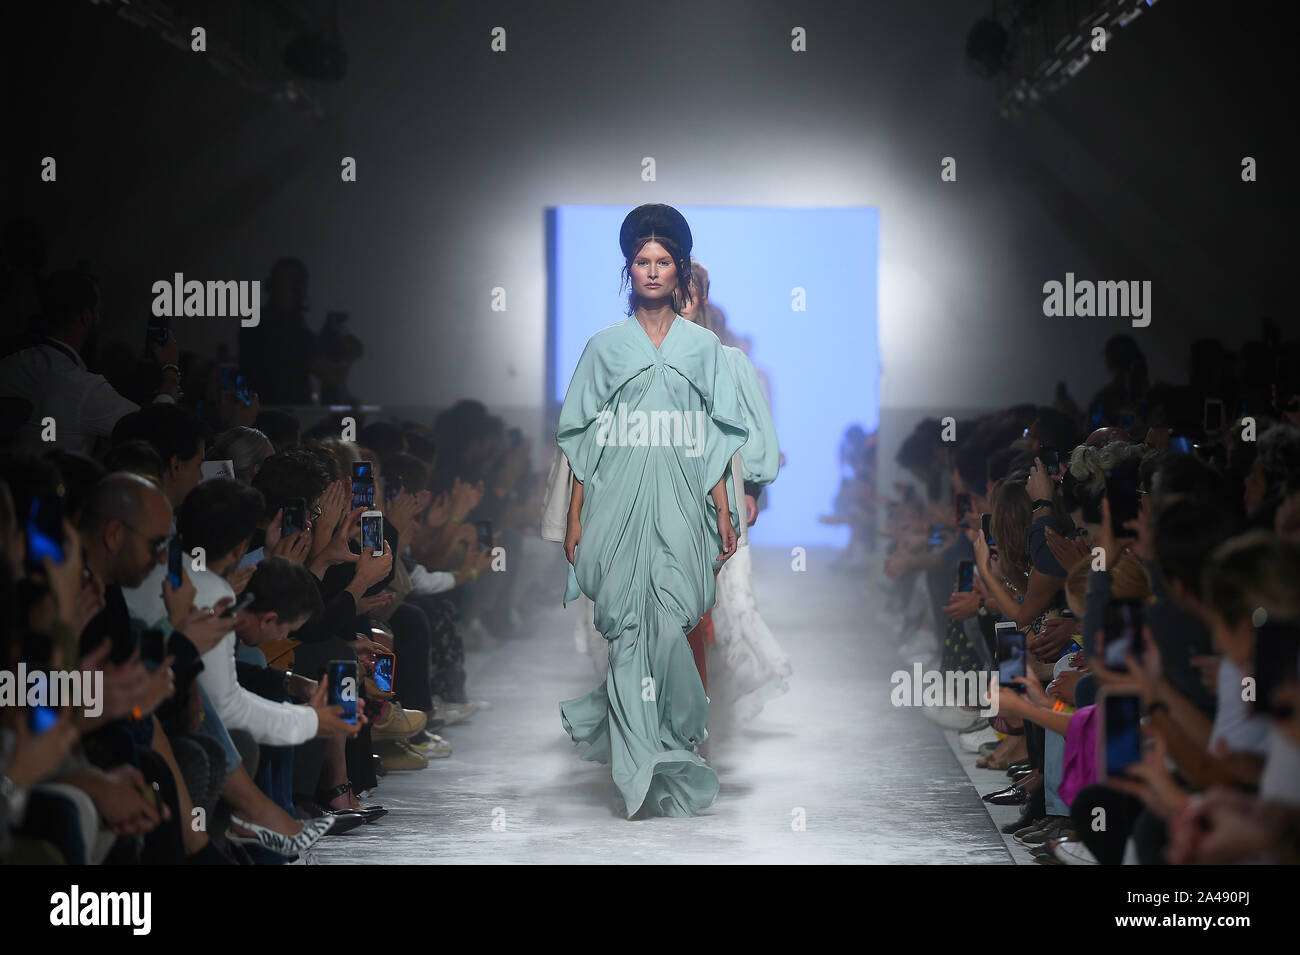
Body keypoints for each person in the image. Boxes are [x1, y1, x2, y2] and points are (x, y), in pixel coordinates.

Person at [555, 204, 746, 818]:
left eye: (664, 262)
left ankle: (669, 745)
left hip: (684, 504)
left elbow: (716, 434)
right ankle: (640, 765)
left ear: (680, 270)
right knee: (629, 633)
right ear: (629, 270)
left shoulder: (703, 348)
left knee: (672, 628)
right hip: (616, 503)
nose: (653, 271)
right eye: (643, 261)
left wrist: (723, 509)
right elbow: (586, 438)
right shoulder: (604, 348)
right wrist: (576, 516)